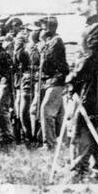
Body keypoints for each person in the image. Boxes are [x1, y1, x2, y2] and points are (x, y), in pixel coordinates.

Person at [66, 0, 98, 181]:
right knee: (93, 123)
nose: (77, 6)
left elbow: (91, 58)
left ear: (93, 2)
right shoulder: (91, 27)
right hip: (90, 81)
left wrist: (73, 77)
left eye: (81, 2)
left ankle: (80, 168)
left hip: (95, 83)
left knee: (86, 123)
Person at [36, 16, 67, 147]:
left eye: (43, 27)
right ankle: (63, 141)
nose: (40, 31)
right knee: (59, 113)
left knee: (46, 110)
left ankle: (49, 144)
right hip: (52, 80)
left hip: (56, 79)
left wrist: (42, 46)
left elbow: (48, 61)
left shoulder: (55, 41)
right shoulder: (50, 42)